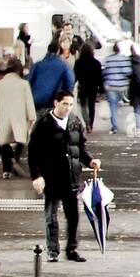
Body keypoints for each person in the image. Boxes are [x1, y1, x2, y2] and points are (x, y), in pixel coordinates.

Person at [27, 91, 101, 263]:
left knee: (73, 216)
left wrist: (90, 161)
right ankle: (53, 250)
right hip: (51, 176)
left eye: (70, 104)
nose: (68, 108)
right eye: (64, 104)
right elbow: (33, 153)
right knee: (51, 216)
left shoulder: (75, 122)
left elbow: (80, 148)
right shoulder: (44, 123)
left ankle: (72, 249)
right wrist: (36, 176)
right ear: (56, 103)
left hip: (71, 177)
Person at [0, 56, 36, 178]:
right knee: (21, 140)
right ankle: (16, 159)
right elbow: (29, 102)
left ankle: (6, 170)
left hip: (4, 118)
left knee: (5, 143)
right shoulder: (24, 84)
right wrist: (32, 116)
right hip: (19, 117)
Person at [28, 40, 75, 117]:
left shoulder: (38, 64)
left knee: (39, 123)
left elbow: (29, 81)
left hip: (36, 100)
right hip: (54, 101)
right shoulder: (64, 65)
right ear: (58, 51)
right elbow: (70, 81)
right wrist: (67, 98)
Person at [100, 37, 133, 134]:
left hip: (110, 86)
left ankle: (115, 126)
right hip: (122, 86)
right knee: (119, 104)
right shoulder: (124, 59)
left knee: (112, 106)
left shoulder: (108, 59)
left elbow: (105, 72)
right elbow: (128, 72)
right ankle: (121, 117)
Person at [73, 36, 103, 131]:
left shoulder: (78, 62)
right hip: (93, 87)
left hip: (82, 87)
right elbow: (100, 77)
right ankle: (91, 124)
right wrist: (101, 88)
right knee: (92, 106)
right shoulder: (96, 63)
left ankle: (87, 122)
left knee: (83, 105)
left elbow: (75, 76)